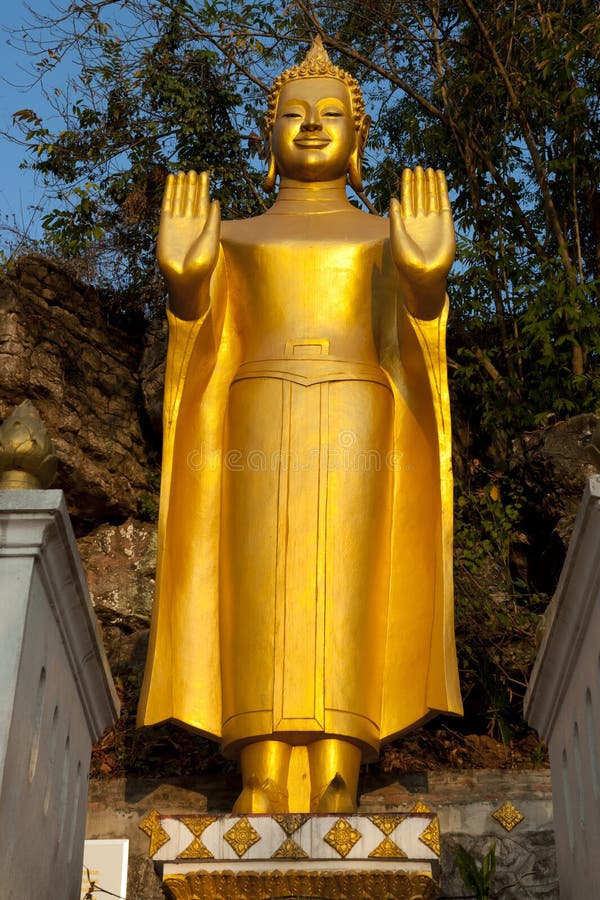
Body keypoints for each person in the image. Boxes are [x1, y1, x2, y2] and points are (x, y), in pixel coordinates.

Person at [137, 37, 462, 813]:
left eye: (330, 114)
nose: (311, 125)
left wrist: (425, 283)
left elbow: (412, 341)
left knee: (349, 583)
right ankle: (262, 768)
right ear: (268, 136)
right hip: (256, 416)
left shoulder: (384, 238)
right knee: (258, 585)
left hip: (358, 417)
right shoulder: (234, 237)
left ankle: (339, 765)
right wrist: (186, 287)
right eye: (293, 113)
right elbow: (204, 343)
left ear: (358, 139)